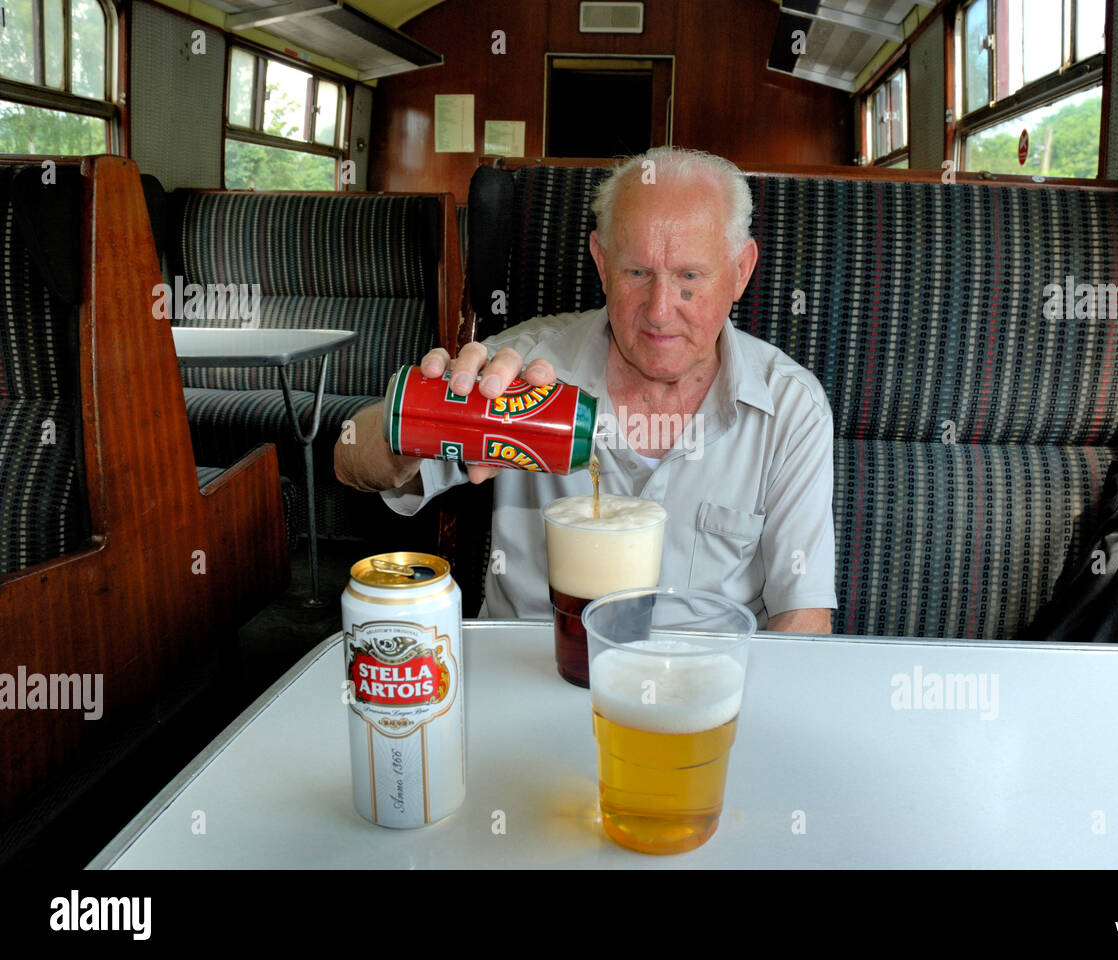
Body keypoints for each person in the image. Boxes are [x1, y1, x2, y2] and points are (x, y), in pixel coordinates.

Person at [334, 147, 836, 633]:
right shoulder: (521, 370)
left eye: (689, 276)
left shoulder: (791, 407)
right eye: (636, 272)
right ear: (601, 261)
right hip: (527, 675)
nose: (660, 309)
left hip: (698, 688)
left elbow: (803, 617)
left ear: (740, 271)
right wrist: (420, 412)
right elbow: (348, 457)